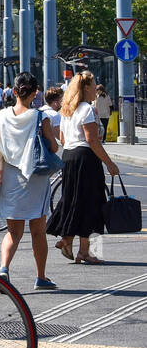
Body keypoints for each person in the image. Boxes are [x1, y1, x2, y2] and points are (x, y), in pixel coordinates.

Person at [0, 72, 59, 290]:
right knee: (38, 231)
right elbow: (54, 147)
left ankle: (3, 269)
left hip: (10, 180)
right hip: (35, 179)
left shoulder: (1, 117)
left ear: (15, 91)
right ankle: (41, 277)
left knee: (13, 233)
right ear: (35, 92)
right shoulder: (40, 118)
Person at [50, 72, 118, 264]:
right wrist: (109, 163)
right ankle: (82, 250)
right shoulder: (87, 109)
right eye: (94, 83)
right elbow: (92, 140)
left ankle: (68, 240)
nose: (96, 87)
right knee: (92, 202)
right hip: (85, 158)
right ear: (86, 87)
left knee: (74, 200)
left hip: (69, 157)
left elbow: (62, 139)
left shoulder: (67, 110)